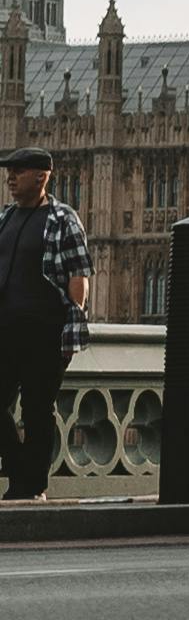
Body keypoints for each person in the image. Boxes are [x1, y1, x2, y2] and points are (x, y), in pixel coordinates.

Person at [0, 144, 90, 501]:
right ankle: (22, 471)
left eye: (17, 172)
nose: (10, 177)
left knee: (37, 410)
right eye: (9, 172)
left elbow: (79, 273)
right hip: (6, 330)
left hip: (45, 331)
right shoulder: (5, 218)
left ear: (41, 176)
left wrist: (72, 318)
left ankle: (30, 486)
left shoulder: (62, 218)